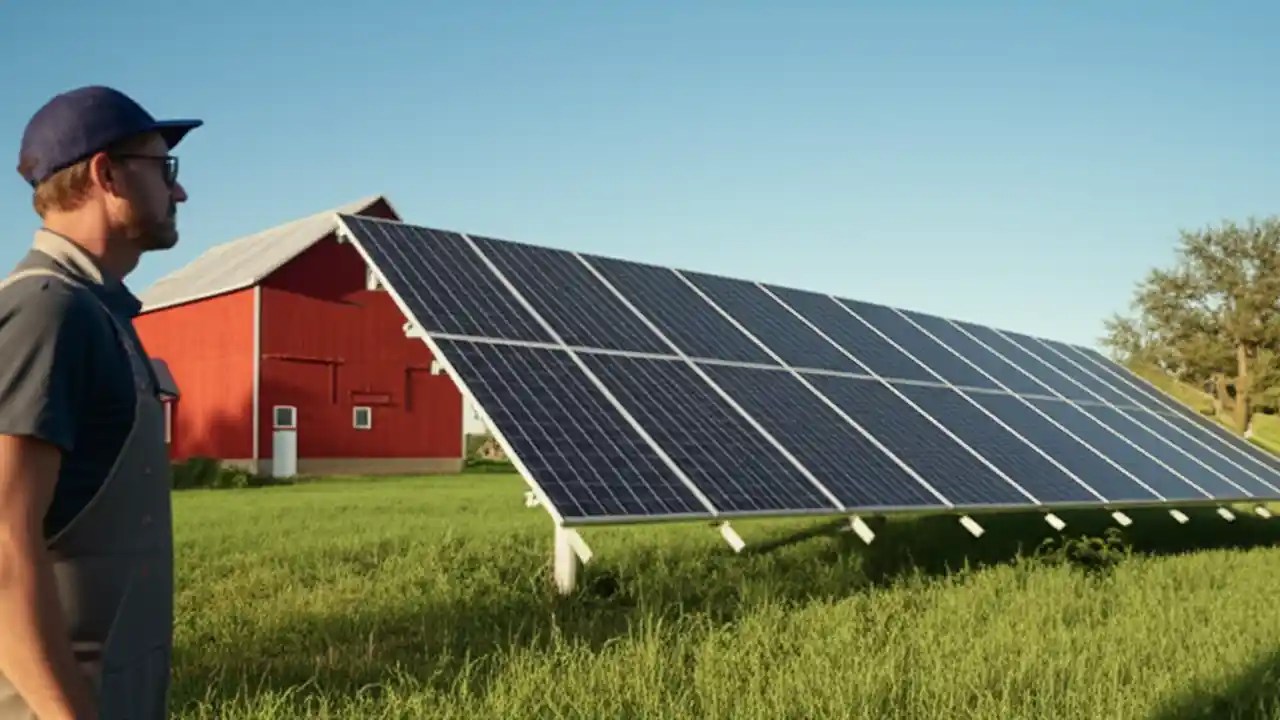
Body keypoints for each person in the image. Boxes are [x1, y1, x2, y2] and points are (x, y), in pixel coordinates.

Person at [0, 86, 201, 720]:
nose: (180, 193)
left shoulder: (97, 313)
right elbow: (3, 549)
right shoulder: (47, 312)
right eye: (164, 169)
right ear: (106, 173)